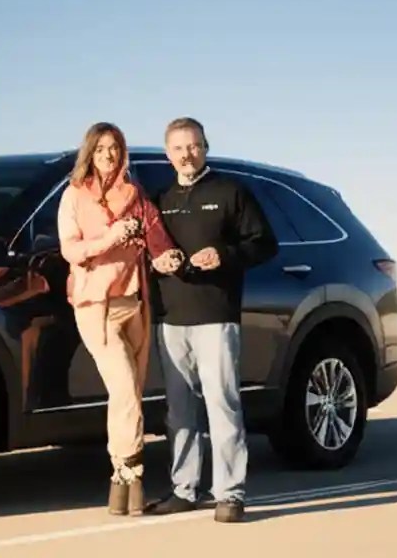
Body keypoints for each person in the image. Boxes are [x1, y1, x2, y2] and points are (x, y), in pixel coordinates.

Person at [144, 117, 278, 523]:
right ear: (168, 154)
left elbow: (264, 244)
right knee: (179, 411)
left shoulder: (230, 192)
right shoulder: (159, 198)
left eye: (195, 145)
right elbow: (146, 251)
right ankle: (185, 489)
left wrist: (225, 255)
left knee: (222, 404)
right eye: (179, 148)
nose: (187, 154)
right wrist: (156, 262)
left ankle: (230, 494)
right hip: (171, 319)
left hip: (216, 316)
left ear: (205, 147)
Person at [57, 121, 185, 517]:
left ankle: (120, 483)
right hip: (96, 307)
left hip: (134, 302)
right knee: (126, 387)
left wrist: (166, 255)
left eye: (114, 148)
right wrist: (113, 236)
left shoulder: (134, 194)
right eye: (100, 149)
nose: (109, 155)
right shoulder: (74, 196)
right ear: (89, 154)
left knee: (127, 393)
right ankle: (132, 470)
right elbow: (71, 251)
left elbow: (155, 232)